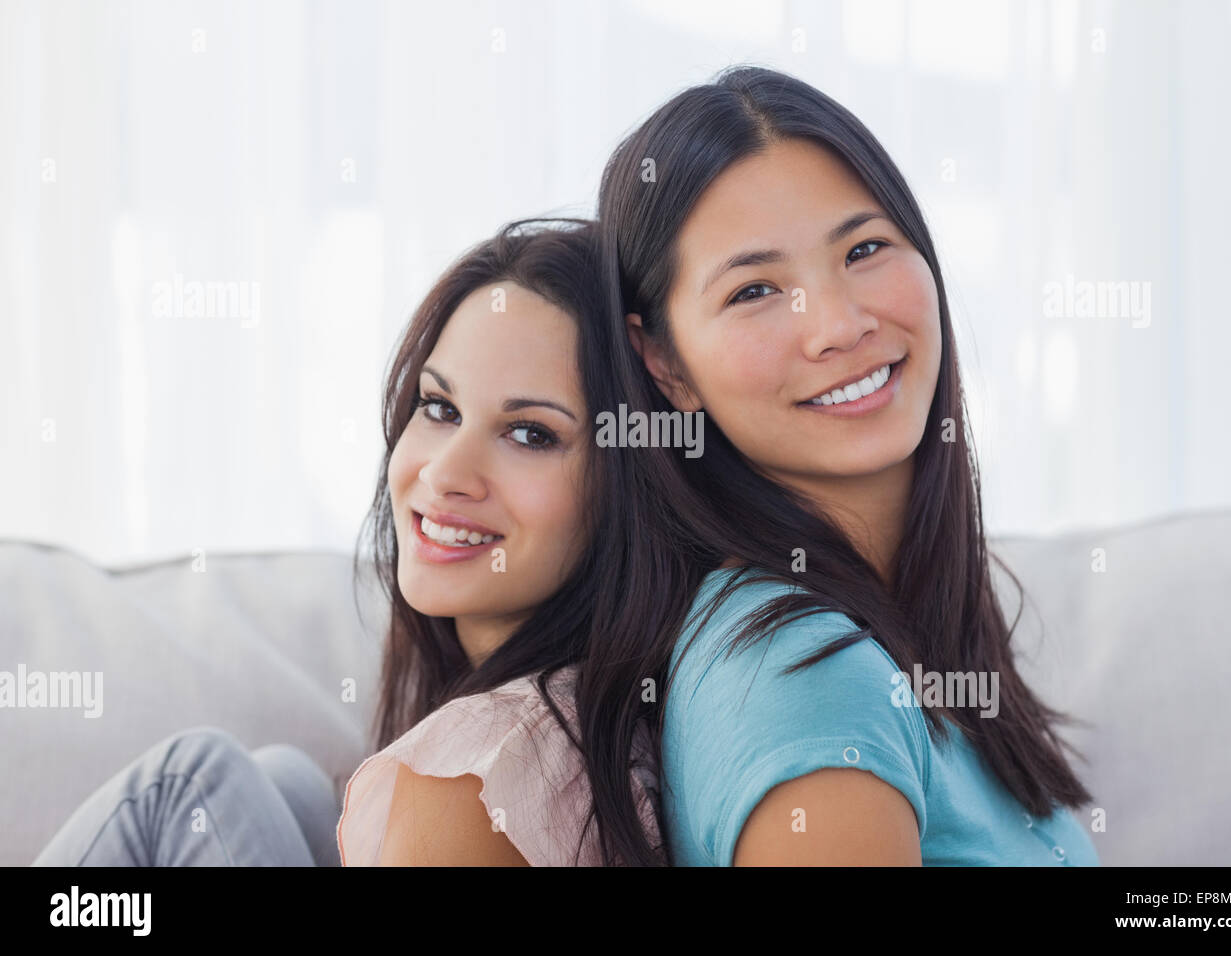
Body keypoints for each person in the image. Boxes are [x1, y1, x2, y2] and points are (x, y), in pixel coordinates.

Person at [31, 220, 671, 867]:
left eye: (530, 433)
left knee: (191, 782)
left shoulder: (482, 772)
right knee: (288, 783)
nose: (444, 472)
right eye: (440, 408)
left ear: (631, 487)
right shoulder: (586, 717)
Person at [594, 65, 1102, 866]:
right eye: (756, 290)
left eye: (864, 248)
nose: (835, 324)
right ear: (663, 363)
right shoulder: (805, 677)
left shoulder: (896, 630)